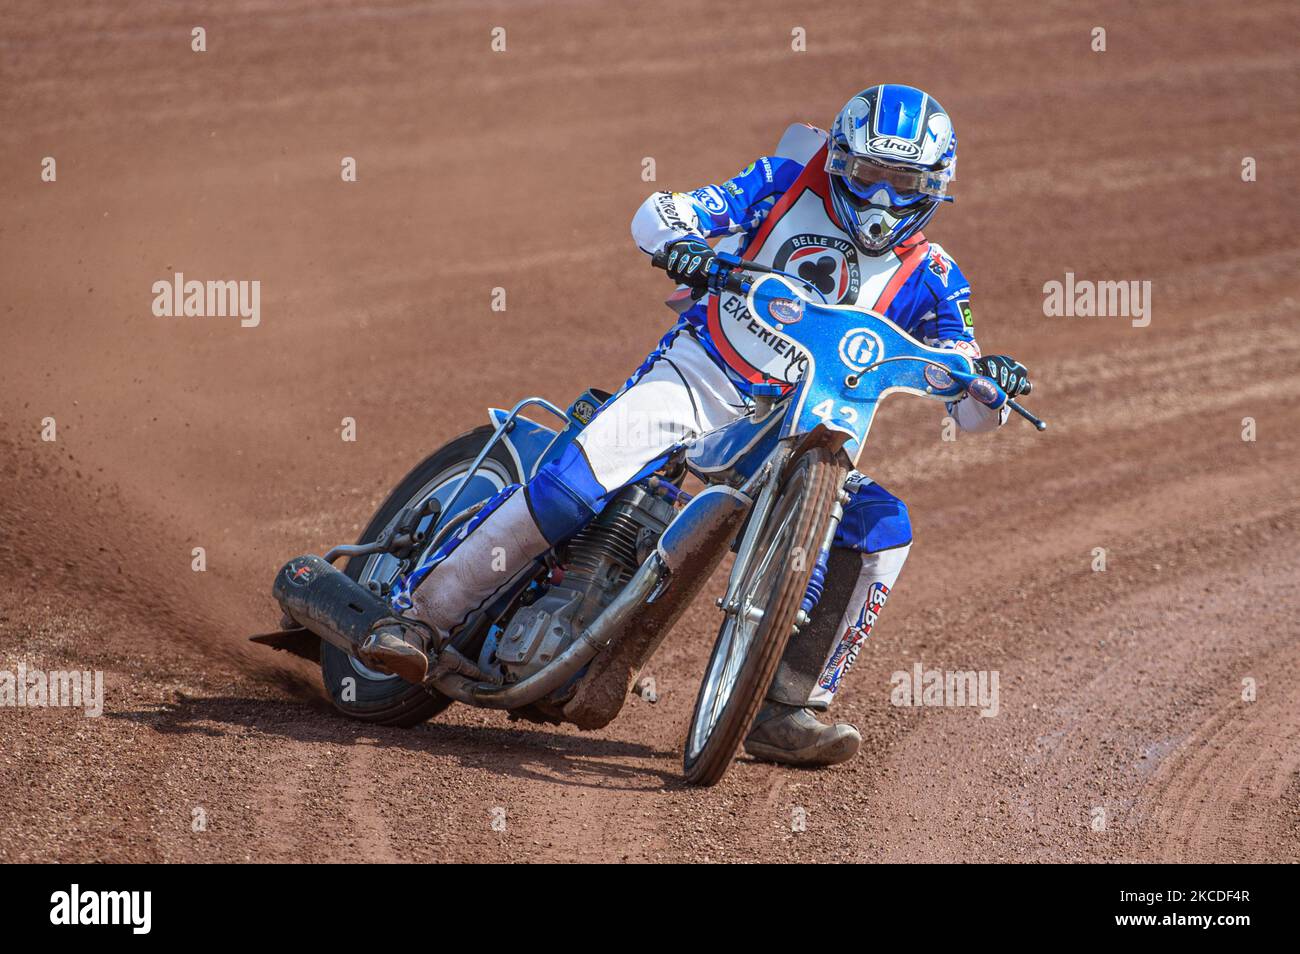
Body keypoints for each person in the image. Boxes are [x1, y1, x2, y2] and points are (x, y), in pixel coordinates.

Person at [361, 85, 1032, 767]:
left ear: (936, 186)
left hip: (805, 432)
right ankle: (418, 617)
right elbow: (660, 213)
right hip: (701, 377)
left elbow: (971, 405)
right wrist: (685, 245)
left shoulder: (937, 276)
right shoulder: (780, 182)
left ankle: (785, 706)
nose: (884, 200)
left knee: (881, 528)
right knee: (573, 487)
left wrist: (994, 385)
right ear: (837, 161)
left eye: (905, 183)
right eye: (868, 176)